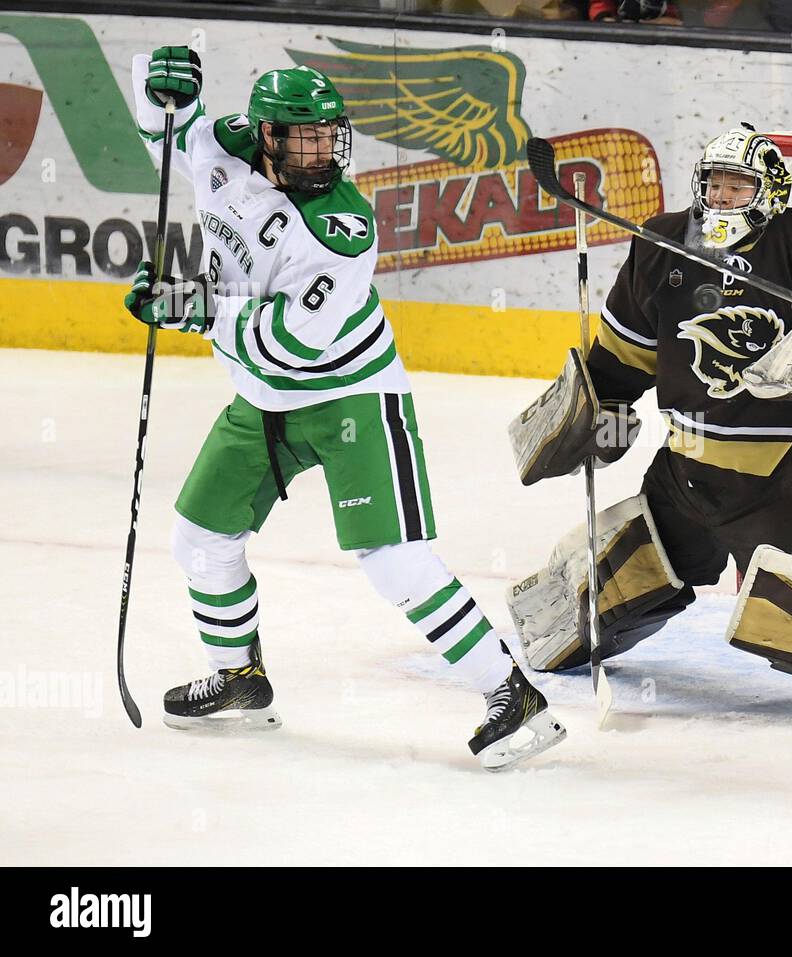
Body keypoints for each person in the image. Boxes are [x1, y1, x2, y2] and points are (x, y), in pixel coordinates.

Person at [123, 46, 564, 770]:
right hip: (261, 399)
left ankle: (511, 694)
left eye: (331, 136)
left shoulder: (341, 229)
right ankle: (241, 678)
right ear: (266, 136)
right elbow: (168, 138)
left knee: (394, 560)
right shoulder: (228, 149)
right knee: (198, 539)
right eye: (306, 137)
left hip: (350, 395)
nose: (323, 152)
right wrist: (158, 84)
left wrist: (191, 309)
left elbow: (293, 340)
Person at [507, 124, 792, 703]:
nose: (723, 198)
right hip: (684, 475)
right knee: (580, 620)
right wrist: (597, 412)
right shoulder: (661, 243)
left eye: (739, 186)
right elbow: (626, 354)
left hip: (789, 473)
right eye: (714, 185)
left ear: (770, 191)